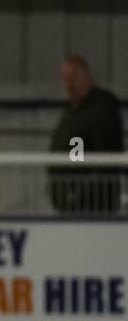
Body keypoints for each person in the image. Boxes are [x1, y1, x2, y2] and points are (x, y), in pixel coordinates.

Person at [48, 55, 123, 215]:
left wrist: (79, 191)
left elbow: (105, 152)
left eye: (74, 77)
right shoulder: (73, 109)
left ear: (87, 77)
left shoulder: (101, 107)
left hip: (92, 204)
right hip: (70, 200)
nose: (69, 84)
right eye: (65, 79)